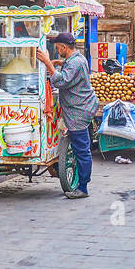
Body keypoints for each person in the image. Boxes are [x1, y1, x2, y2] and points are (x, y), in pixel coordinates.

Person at [35, 32, 99, 199]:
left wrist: (48, 63)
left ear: (64, 47)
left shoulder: (76, 62)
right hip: (82, 107)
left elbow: (61, 81)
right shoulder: (78, 58)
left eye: (58, 49)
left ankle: (83, 187)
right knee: (80, 147)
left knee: (82, 150)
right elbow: (71, 67)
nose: (57, 51)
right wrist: (59, 63)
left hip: (79, 111)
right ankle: (79, 182)